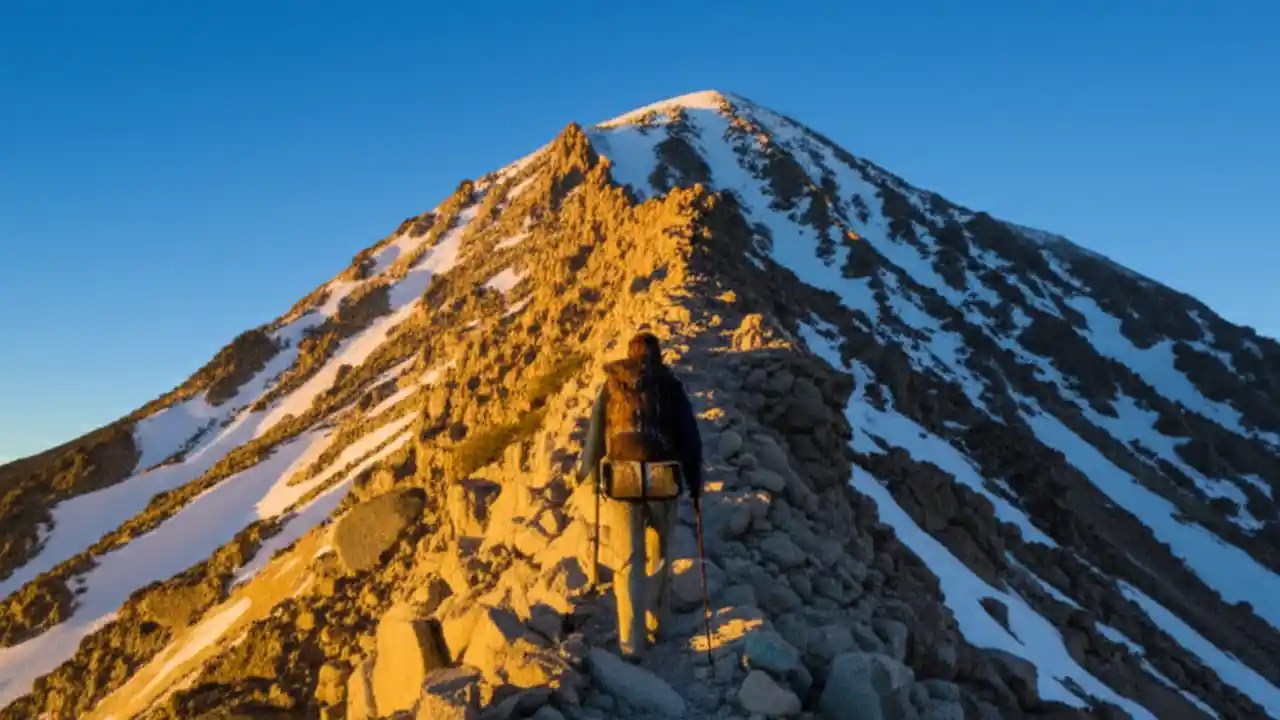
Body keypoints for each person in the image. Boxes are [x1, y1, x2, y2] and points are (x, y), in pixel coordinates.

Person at [578, 331, 702, 660]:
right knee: (659, 553)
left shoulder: (612, 385)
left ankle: (631, 642)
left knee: (628, 561)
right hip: (663, 480)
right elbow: (690, 439)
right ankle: (657, 624)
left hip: (622, 481)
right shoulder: (670, 386)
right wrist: (696, 483)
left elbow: (595, 435)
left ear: (629, 355)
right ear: (658, 355)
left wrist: (589, 474)